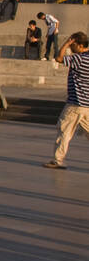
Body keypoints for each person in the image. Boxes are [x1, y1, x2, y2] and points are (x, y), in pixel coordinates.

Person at [44, 31, 89, 169]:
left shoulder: (79, 59)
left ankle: (58, 160)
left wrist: (65, 44)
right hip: (87, 104)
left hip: (75, 104)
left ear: (80, 45)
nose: (71, 47)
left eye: (73, 45)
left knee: (64, 131)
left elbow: (58, 58)